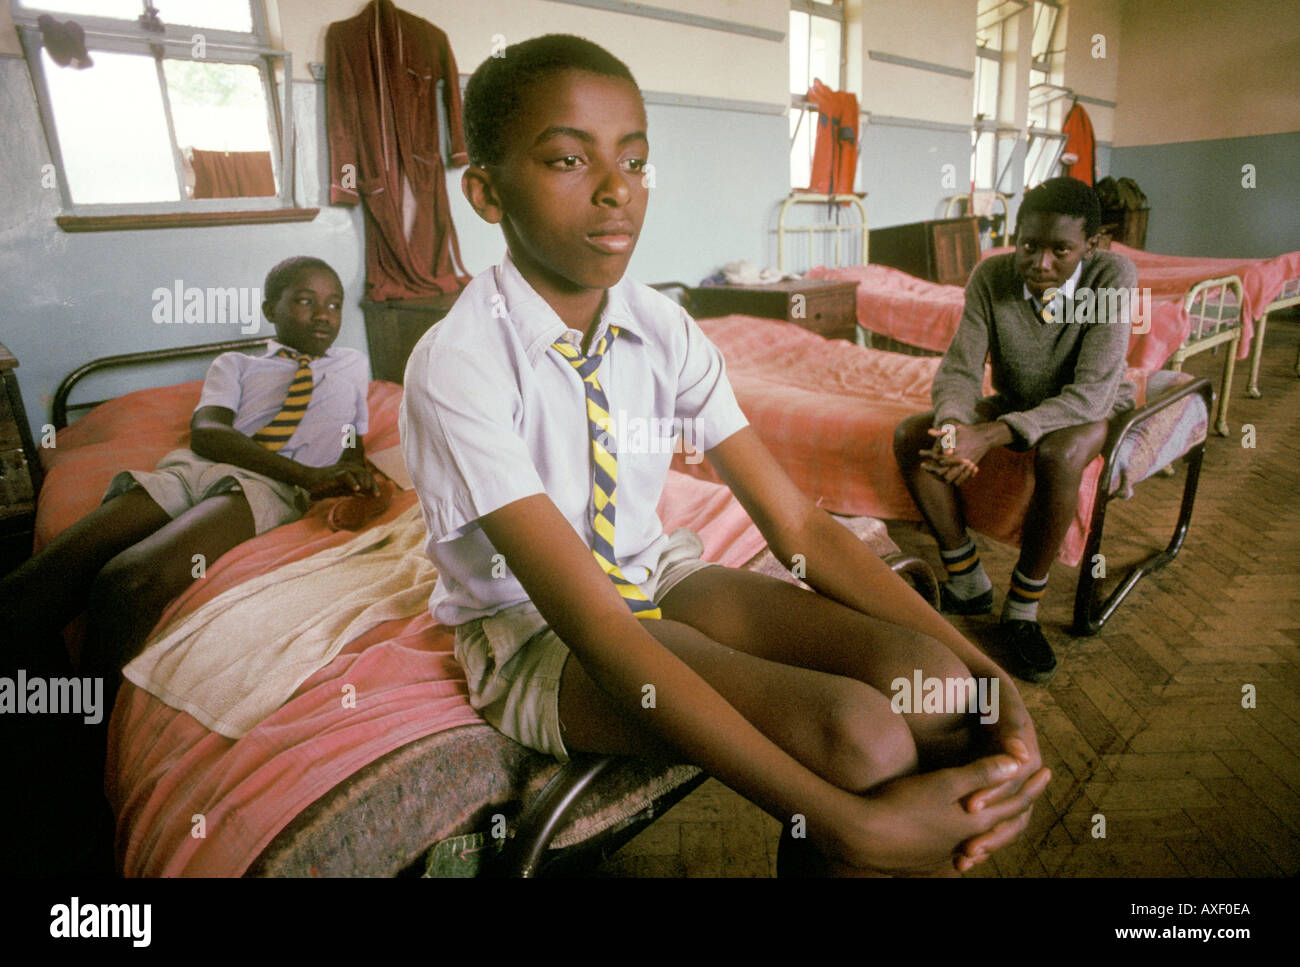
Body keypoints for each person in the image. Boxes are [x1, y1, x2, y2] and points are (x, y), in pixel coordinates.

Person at [399, 34, 1050, 876]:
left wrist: (998, 686)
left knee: (938, 684)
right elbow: (594, 622)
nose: (615, 191)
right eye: (567, 159)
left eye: (635, 161)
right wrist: (843, 823)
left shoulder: (664, 326)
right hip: (538, 629)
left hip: (657, 572)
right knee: (860, 739)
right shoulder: (459, 363)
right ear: (486, 193)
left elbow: (801, 529)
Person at [1, 255, 378, 690]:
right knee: (43, 575)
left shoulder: (352, 366)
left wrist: (349, 467)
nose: (323, 316)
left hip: (272, 485)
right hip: (201, 466)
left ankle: (87, 727)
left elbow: (352, 436)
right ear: (269, 310)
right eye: (305, 301)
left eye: (334, 304)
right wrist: (309, 475)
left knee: (129, 581)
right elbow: (207, 434)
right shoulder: (236, 365)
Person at [893, 177, 1138, 684]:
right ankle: (967, 580)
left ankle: (1022, 609)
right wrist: (956, 427)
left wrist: (993, 435)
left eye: (1060, 250)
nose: (1040, 262)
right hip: (1018, 400)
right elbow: (960, 369)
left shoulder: (1112, 276)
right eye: (1029, 245)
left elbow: (1091, 393)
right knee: (913, 436)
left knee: (1060, 455)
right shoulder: (991, 276)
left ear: (1091, 246)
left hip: (1091, 405)